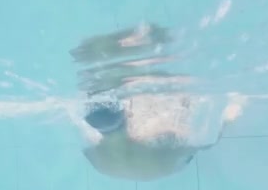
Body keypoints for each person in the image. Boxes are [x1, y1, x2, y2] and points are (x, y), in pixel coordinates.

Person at [71, 22, 244, 181]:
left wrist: (230, 113)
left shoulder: (99, 159)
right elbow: (201, 145)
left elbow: (203, 144)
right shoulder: (97, 157)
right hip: (160, 164)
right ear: (125, 113)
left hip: (155, 164)